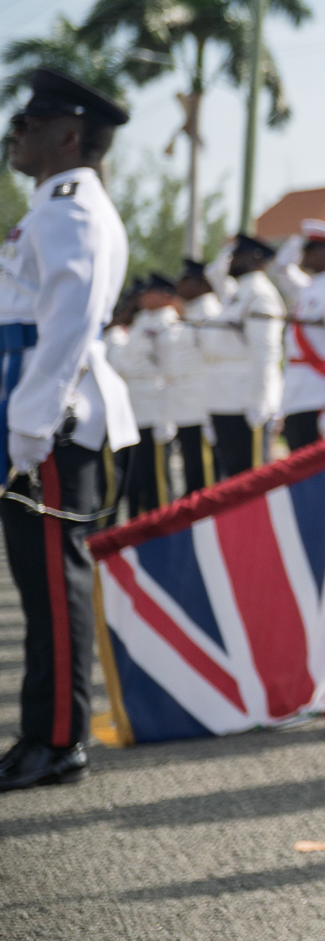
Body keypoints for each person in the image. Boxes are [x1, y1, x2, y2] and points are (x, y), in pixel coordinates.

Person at [0, 68, 135, 791]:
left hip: (50, 420)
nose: (15, 135)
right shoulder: (54, 206)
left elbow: (65, 331)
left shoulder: (72, 209)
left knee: (55, 583)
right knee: (41, 581)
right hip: (38, 413)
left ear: (69, 135)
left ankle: (57, 741)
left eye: (27, 124)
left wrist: (28, 428)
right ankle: (46, 733)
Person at [196, 234, 285, 476]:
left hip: (245, 402)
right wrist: (227, 249)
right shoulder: (236, 293)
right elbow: (214, 272)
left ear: (254, 258)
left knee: (250, 483)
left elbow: (266, 354)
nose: (230, 260)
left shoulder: (260, 295)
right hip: (224, 400)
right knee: (231, 480)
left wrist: (258, 402)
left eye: (236, 255)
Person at [273, 219, 325, 452]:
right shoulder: (312, 286)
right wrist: (294, 242)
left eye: (311, 249)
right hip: (297, 390)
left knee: (314, 470)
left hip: (318, 392)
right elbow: (282, 270)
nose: (304, 254)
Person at [107, 276, 174, 518]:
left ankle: (165, 532)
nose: (142, 297)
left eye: (149, 292)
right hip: (134, 407)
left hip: (154, 408)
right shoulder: (144, 321)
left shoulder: (168, 323)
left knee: (157, 483)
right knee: (137, 482)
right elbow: (125, 360)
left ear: (163, 295)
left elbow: (169, 373)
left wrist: (166, 417)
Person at [167, 259, 219, 491]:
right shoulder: (192, 312)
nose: (179, 285)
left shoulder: (209, 312)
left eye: (185, 280)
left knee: (204, 476)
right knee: (191, 474)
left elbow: (211, 361)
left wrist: (209, 409)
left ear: (202, 285)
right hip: (185, 404)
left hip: (200, 405)